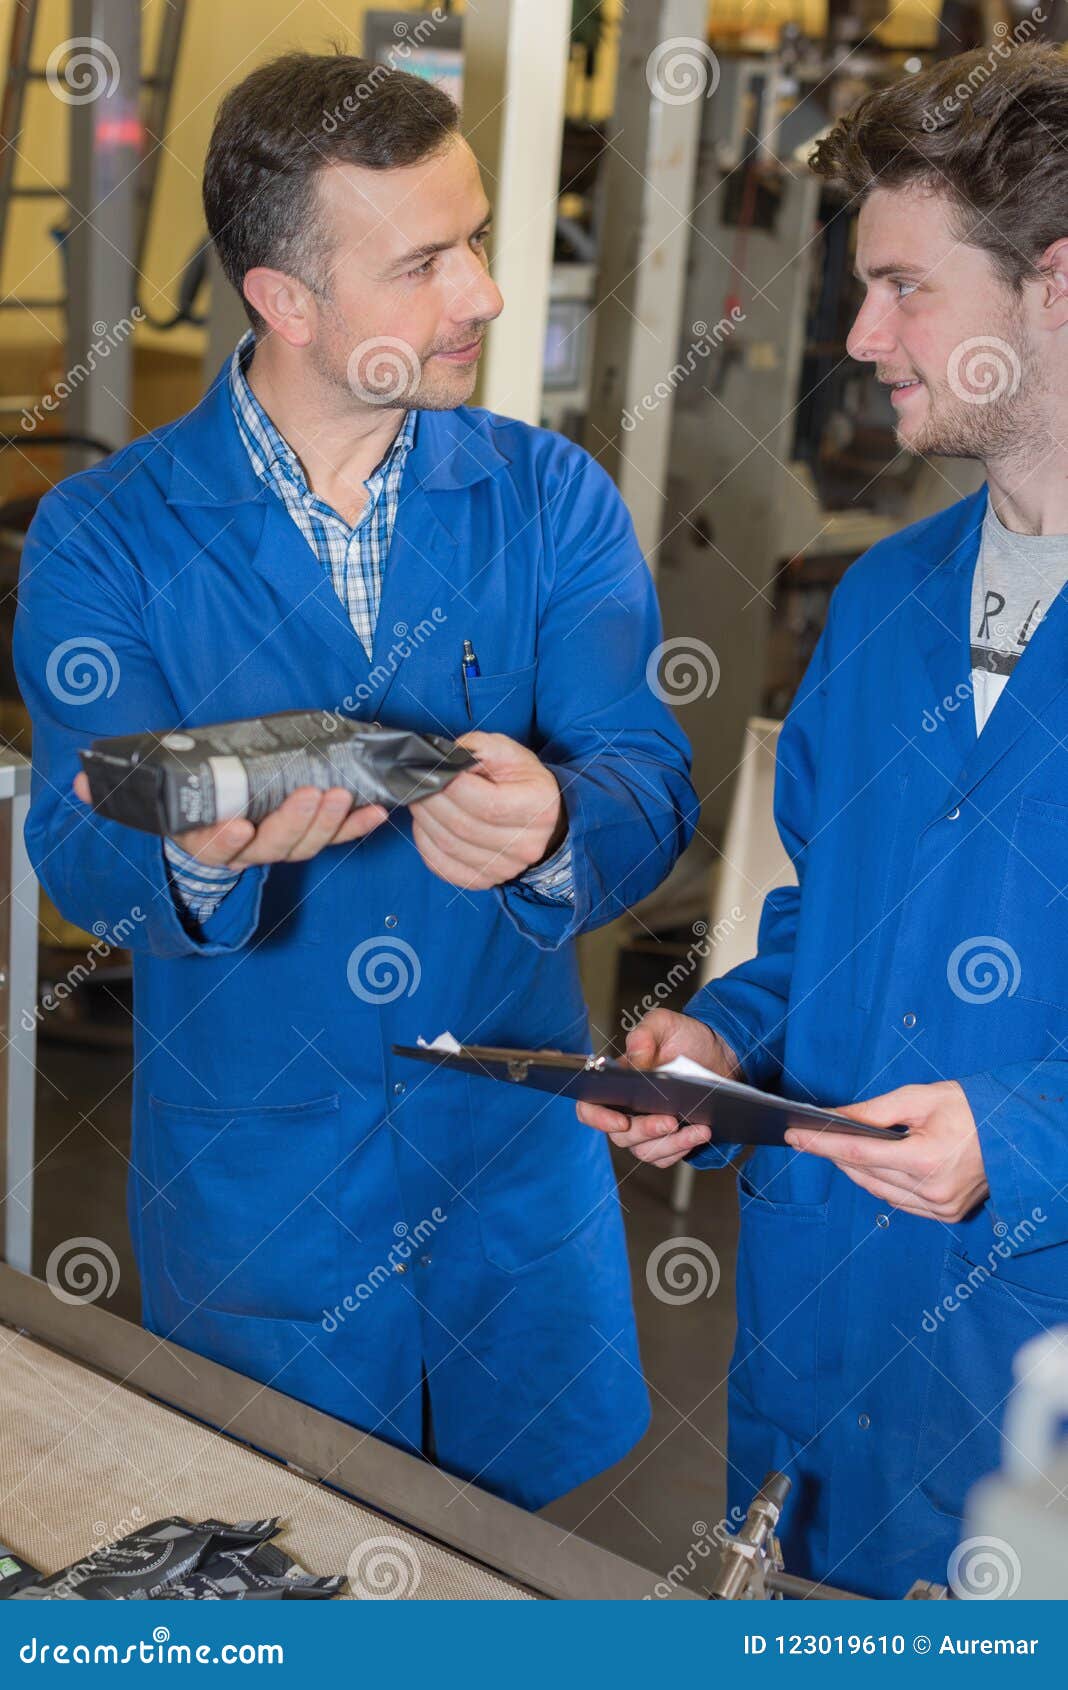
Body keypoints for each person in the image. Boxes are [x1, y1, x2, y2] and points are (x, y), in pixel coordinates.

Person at [15, 52, 697, 1511]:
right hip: (266, 1201)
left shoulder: (550, 498)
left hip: (508, 1175)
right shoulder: (105, 538)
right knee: (288, 1573)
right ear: (284, 299)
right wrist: (201, 858)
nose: (486, 296)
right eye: (427, 263)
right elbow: (79, 848)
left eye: (478, 241)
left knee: (507, 1579)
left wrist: (560, 824)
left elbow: (649, 773)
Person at [579, 42, 1068, 1596]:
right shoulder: (886, 605)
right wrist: (726, 1044)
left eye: (905, 287)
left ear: (1055, 286)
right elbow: (828, 930)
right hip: (823, 1382)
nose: (859, 336)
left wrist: (1024, 1135)